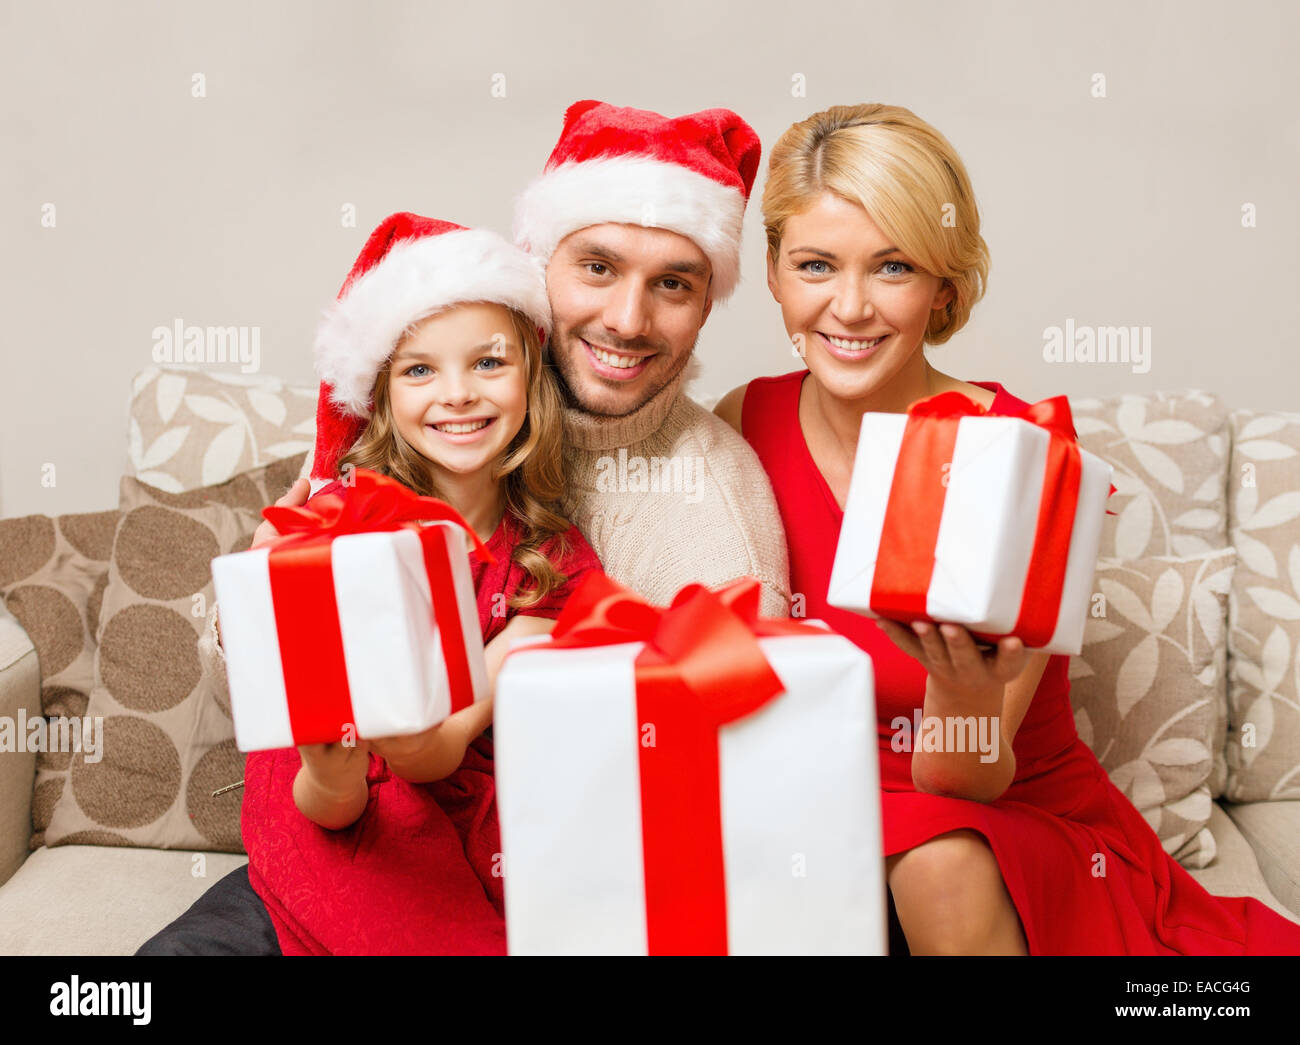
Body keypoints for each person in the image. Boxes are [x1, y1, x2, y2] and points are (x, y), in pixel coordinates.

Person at [144, 99, 792, 955]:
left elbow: (732, 767)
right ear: (537, 272)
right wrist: (258, 630)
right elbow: (281, 726)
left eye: (673, 281)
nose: (628, 320)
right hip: (317, 828)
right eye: (598, 267)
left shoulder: (632, 532)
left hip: (514, 850)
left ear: (707, 302)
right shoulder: (383, 455)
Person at [715, 102, 1300, 955]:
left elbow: (971, 775)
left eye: (893, 267)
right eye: (814, 265)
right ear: (771, 271)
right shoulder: (743, 422)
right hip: (829, 808)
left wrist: (960, 687)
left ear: (942, 287)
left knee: (935, 860)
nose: (849, 306)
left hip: (995, 810)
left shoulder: (1018, 450)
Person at [139, 213, 602, 955]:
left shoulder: (552, 568)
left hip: (435, 820)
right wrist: (261, 597)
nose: (457, 394)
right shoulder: (334, 519)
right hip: (313, 806)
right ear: (383, 397)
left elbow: (438, 750)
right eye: (419, 370)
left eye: (488, 363)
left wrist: (391, 724)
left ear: (532, 376)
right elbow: (320, 791)